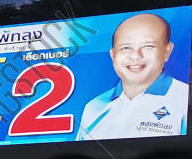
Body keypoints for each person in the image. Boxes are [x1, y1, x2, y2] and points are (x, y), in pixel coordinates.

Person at [78, 12, 188, 140]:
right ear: (113, 55)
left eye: (148, 47)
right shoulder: (93, 107)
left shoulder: (185, 99)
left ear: (167, 51)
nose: (135, 56)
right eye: (125, 48)